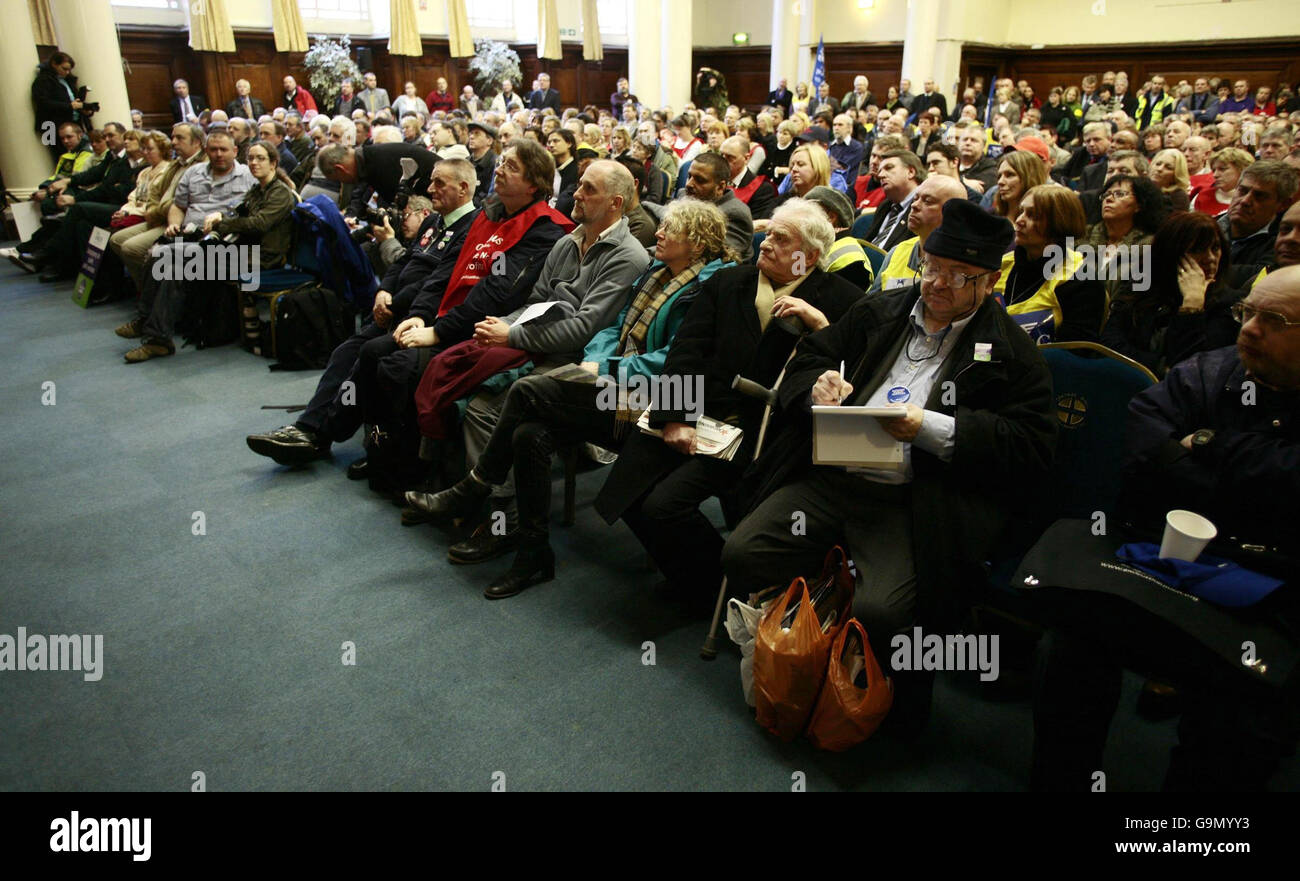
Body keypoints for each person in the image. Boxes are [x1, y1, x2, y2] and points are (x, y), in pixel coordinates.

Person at [722, 198, 1056, 730]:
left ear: (990, 281)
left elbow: (1030, 446)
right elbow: (812, 357)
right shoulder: (881, 309)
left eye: (958, 275)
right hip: (836, 476)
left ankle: (862, 690)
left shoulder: (1013, 353)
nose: (938, 283)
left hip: (913, 502)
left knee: (883, 614)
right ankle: (805, 642)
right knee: (742, 551)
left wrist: (929, 428)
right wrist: (819, 388)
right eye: (931, 266)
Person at [1032, 266, 1300, 791]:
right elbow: (1140, 440)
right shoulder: (1208, 371)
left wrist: (1205, 445)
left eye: (1274, 320)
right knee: (1070, 646)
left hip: (1272, 587)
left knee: (1241, 718)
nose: (1247, 328)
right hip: (1162, 558)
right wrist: (1239, 480)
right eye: (1247, 312)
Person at [406, 200, 736, 597]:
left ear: (698, 245)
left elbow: (679, 357)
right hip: (616, 385)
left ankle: (476, 485)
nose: (658, 233)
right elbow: (615, 326)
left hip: (659, 399)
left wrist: (611, 371)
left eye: (670, 230)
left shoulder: (711, 287)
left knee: (527, 390)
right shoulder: (656, 271)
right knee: (529, 433)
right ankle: (533, 553)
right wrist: (597, 363)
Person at [594, 199, 864, 597]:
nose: (766, 243)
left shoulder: (843, 301)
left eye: (780, 239)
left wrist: (821, 326)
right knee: (631, 492)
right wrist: (676, 416)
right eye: (767, 233)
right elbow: (686, 352)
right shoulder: (728, 282)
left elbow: (849, 377)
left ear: (809, 256)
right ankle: (705, 581)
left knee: (664, 506)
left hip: (768, 434)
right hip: (701, 411)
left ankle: (721, 588)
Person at [246, 159, 482, 467]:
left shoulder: (473, 229)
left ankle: (320, 433)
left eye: (439, 183)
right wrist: (383, 290)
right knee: (346, 351)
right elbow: (404, 263)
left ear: (464, 188)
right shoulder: (435, 221)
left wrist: (393, 302)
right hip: (396, 306)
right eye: (431, 181)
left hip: (421, 317)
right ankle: (308, 428)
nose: (429, 189)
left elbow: (437, 281)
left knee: (366, 359)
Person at [113, 133, 270, 361]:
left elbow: (252, 222)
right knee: (156, 253)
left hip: (231, 248)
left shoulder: (250, 178)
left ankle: (156, 336)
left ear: (235, 152)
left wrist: (221, 221)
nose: (218, 154)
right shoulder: (194, 172)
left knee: (172, 264)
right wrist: (174, 225)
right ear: (206, 150)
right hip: (191, 237)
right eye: (213, 149)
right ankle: (150, 323)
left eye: (223, 150)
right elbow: (178, 205)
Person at [1102, 210, 1242, 376]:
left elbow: (1191, 370)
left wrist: (1192, 305)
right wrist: (1159, 367)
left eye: (1215, 248)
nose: (1210, 258)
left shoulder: (1230, 304)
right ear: (1172, 253)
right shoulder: (1143, 286)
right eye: (1198, 249)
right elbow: (1109, 344)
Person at [995, 185, 1106, 342]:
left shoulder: (1082, 279)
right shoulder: (1003, 264)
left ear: (1059, 223)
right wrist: (983, 361)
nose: (1019, 220)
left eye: (1033, 216)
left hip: (1048, 364)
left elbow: (1075, 351)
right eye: (1021, 212)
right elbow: (980, 333)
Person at [868, 174, 969, 294]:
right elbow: (872, 304)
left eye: (927, 201)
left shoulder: (967, 263)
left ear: (954, 214)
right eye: (915, 198)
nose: (914, 205)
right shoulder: (897, 251)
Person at [804, 186, 872, 290]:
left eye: (808, 213)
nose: (799, 219)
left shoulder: (852, 260)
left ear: (830, 217)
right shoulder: (813, 243)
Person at [31, 52, 86, 161]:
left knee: (81, 154)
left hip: (72, 122)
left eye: (69, 70)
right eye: (64, 68)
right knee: (61, 156)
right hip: (52, 125)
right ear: (54, 64)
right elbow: (43, 102)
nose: (67, 72)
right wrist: (69, 106)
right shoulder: (43, 80)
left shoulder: (67, 79)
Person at [719, 136, 775, 222]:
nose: (723, 161)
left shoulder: (763, 189)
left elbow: (754, 226)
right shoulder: (714, 180)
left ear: (746, 158)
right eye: (721, 155)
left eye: (730, 157)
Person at [991, 149, 1047, 223]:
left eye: (1010, 175)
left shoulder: (1046, 221)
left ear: (1030, 177)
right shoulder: (990, 217)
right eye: (999, 176)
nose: (1000, 182)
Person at [546, 128, 580, 217]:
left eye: (555, 141)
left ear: (569, 143)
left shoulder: (578, 170)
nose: (551, 145)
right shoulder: (549, 169)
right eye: (549, 142)